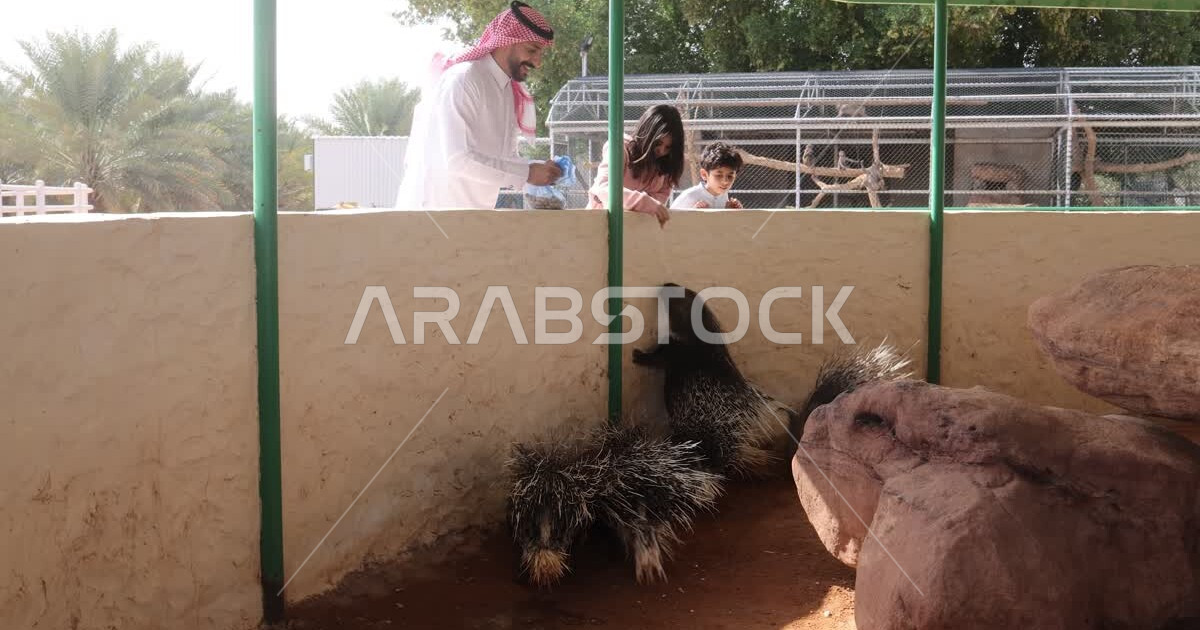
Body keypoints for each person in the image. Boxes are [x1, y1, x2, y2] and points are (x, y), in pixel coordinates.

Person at [395, 1, 562, 210]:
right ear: (507, 42)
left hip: (473, 219)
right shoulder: (464, 79)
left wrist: (536, 171)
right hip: (433, 218)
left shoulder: (507, 90)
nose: (538, 62)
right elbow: (457, 160)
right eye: (531, 50)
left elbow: (502, 159)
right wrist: (528, 173)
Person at [586, 104, 685, 227]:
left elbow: (660, 198)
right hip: (601, 227)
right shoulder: (620, 147)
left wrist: (646, 204)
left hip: (638, 231)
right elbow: (604, 188)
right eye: (657, 144)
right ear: (646, 134)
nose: (661, 151)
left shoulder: (666, 163)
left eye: (668, 147)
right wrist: (644, 202)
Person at [670, 142, 744, 210]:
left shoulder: (724, 197)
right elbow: (668, 221)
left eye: (730, 176)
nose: (725, 181)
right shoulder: (689, 196)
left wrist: (732, 213)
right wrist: (693, 214)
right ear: (704, 174)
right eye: (718, 175)